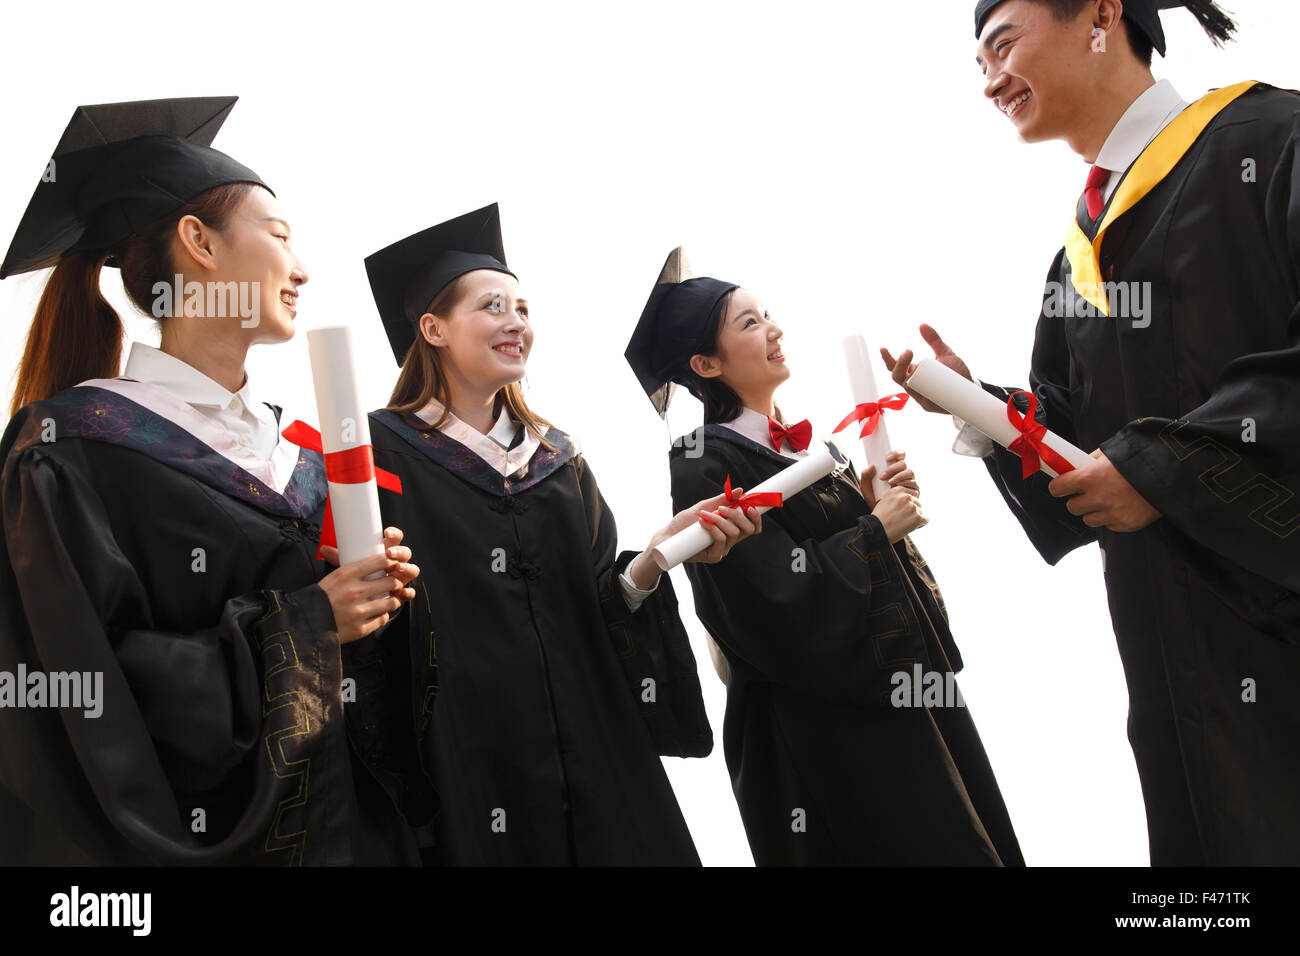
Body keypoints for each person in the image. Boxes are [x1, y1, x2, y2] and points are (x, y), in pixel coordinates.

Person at [884, 0, 1300, 865]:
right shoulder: (1076, 254)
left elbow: (1141, 455)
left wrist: (1159, 470)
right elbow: (1083, 444)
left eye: (1002, 43)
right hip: (1169, 648)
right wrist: (983, 408)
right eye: (979, 62)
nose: (991, 79)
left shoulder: (1269, 140)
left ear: (1103, 14)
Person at [0, 96, 423, 865]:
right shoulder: (71, 448)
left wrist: (360, 595)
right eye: (280, 236)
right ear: (198, 242)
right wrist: (305, 622)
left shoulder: (295, 454)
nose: (302, 268)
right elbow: (87, 692)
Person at [362, 204, 761, 865]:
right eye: (493, 306)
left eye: (523, 308)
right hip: (473, 767)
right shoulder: (380, 454)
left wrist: (653, 562)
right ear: (432, 327)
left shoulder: (557, 461)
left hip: (599, 756)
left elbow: (601, 604)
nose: (516, 322)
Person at [625, 247, 1025, 865]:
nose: (774, 330)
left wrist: (865, 509)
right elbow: (766, 603)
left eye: (768, 315)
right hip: (821, 727)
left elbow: (823, 555)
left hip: (896, 695)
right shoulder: (703, 459)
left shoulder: (812, 454)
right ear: (706, 363)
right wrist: (875, 532)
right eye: (750, 323)